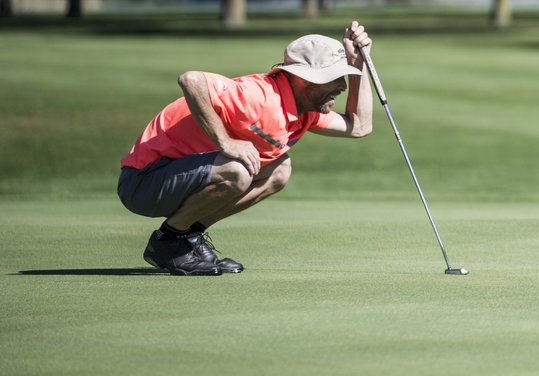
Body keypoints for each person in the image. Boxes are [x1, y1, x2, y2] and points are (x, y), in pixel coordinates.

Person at [118, 22, 374, 275]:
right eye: (333, 78)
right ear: (303, 79)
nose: (342, 85)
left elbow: (359, 126)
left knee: (280, 169)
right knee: (237, 170)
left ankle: (186, 238)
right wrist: (226, 142)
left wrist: (358, 62)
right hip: (143, 183)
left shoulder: (305, 110)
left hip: (179, 180)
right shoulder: (258, 97)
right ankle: (167, 242)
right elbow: (191, 81)